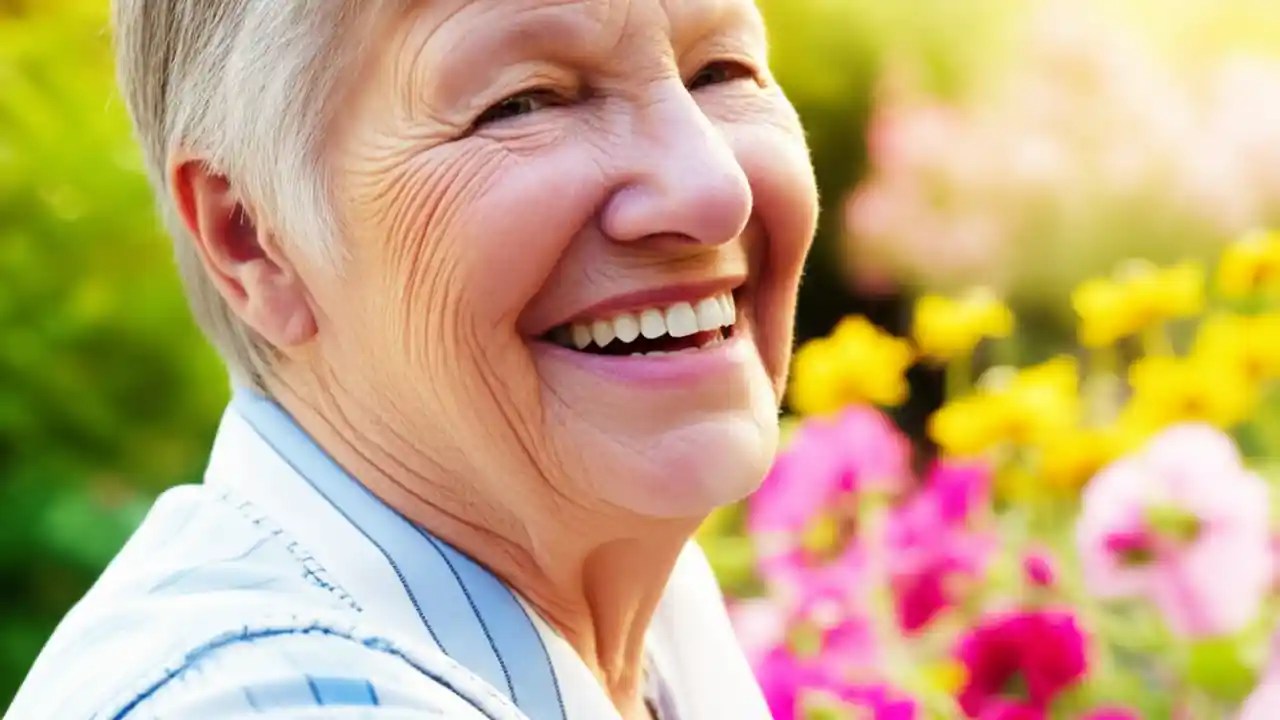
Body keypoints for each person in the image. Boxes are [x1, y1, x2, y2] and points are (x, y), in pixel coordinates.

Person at [7, 0, 818, 717]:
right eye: (523, 102)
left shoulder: (636, 597)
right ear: (252, 238)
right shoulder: (281, 701)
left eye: (720, 71)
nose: (715, 192)